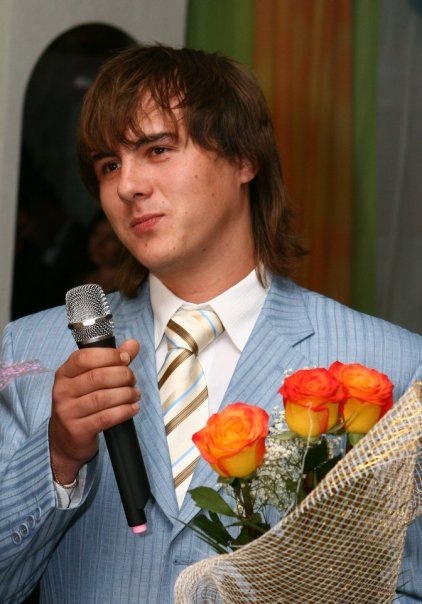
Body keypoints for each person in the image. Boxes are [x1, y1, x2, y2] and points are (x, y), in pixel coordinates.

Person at [0, 44, 421, 603]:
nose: (127, 186)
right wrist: (57, 456)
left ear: (244, 159)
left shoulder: (393, 366)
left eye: (157, 149)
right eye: (108, 165)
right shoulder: (30, 349)